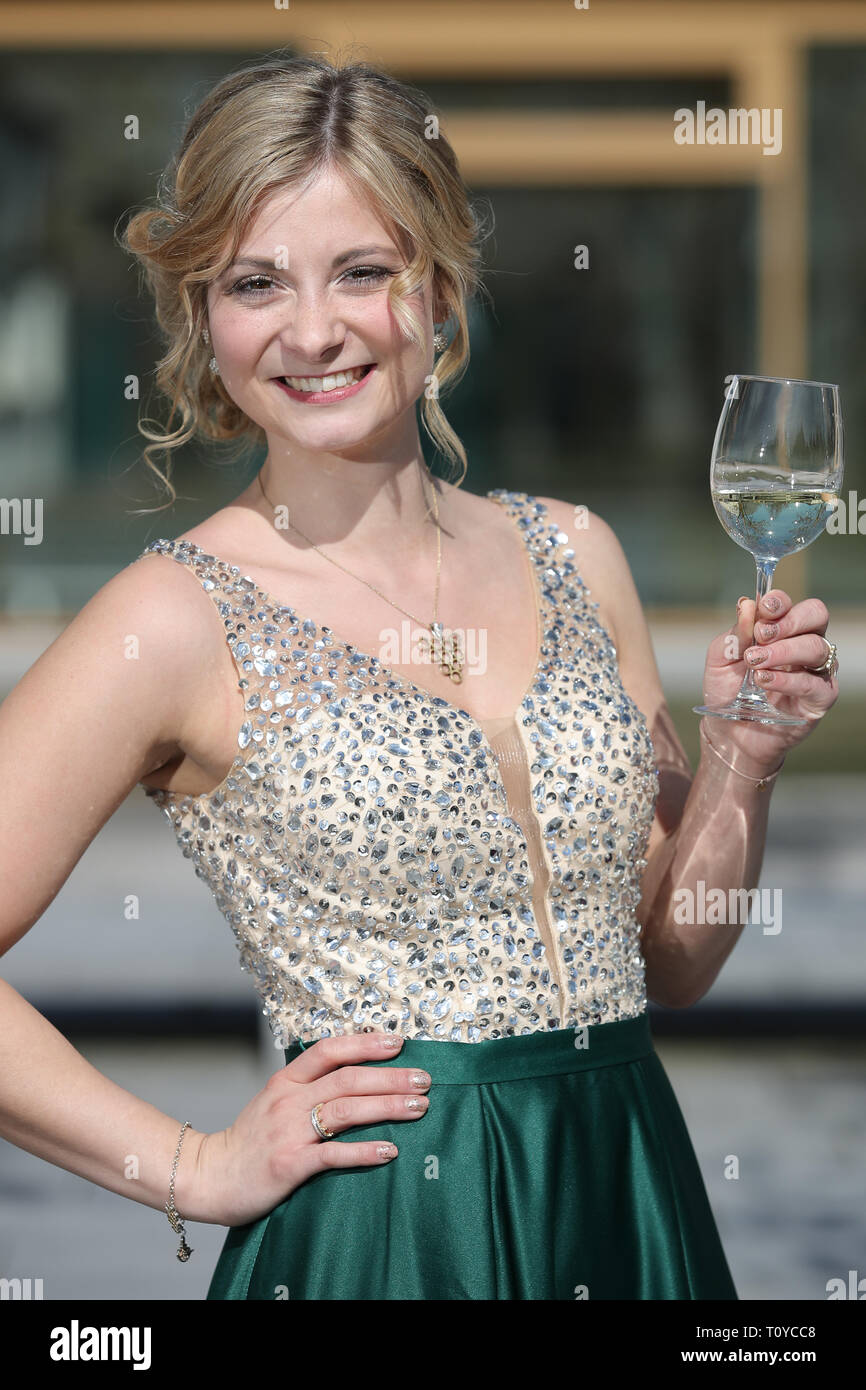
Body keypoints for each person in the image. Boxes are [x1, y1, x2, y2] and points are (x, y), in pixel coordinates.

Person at [0, 51, 840, 1302]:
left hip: (626, 1194)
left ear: (440, 291)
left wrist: (737, 762)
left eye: (361, 271)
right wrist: (188, 1161)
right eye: (254, 282)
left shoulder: (576, 552)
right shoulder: (169, 618)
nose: (313, 328)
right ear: (201, 318)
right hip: (383, 1236)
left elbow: (665, 964)